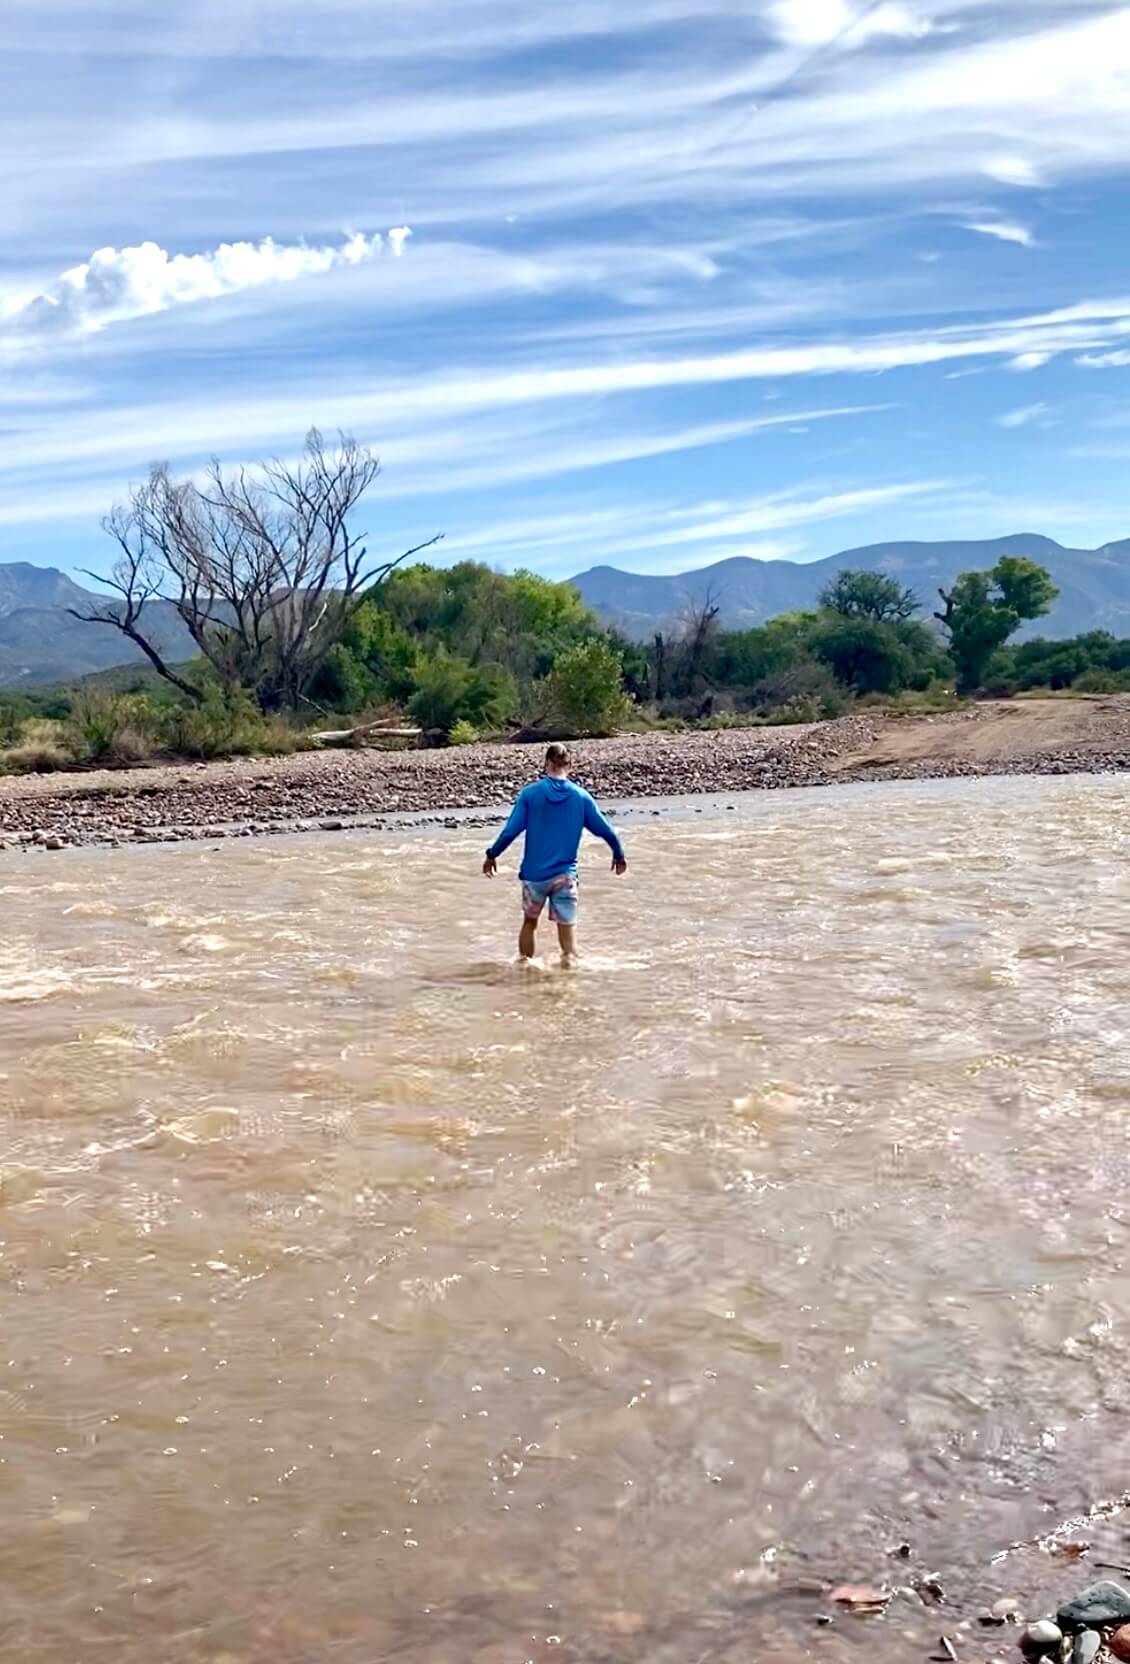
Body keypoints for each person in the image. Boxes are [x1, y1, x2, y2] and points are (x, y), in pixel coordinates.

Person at [483, 743, 627, 963]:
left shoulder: (530, 795)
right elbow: (605, 830)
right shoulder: (581, 796)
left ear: (546, 763)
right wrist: (618, 854)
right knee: (567, 936)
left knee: (530, 922)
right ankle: (568, 984)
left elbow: (511, 831)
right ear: (569, 765)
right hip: (565, 876)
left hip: (534, 876)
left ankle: (525, 969)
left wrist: (492, 854)